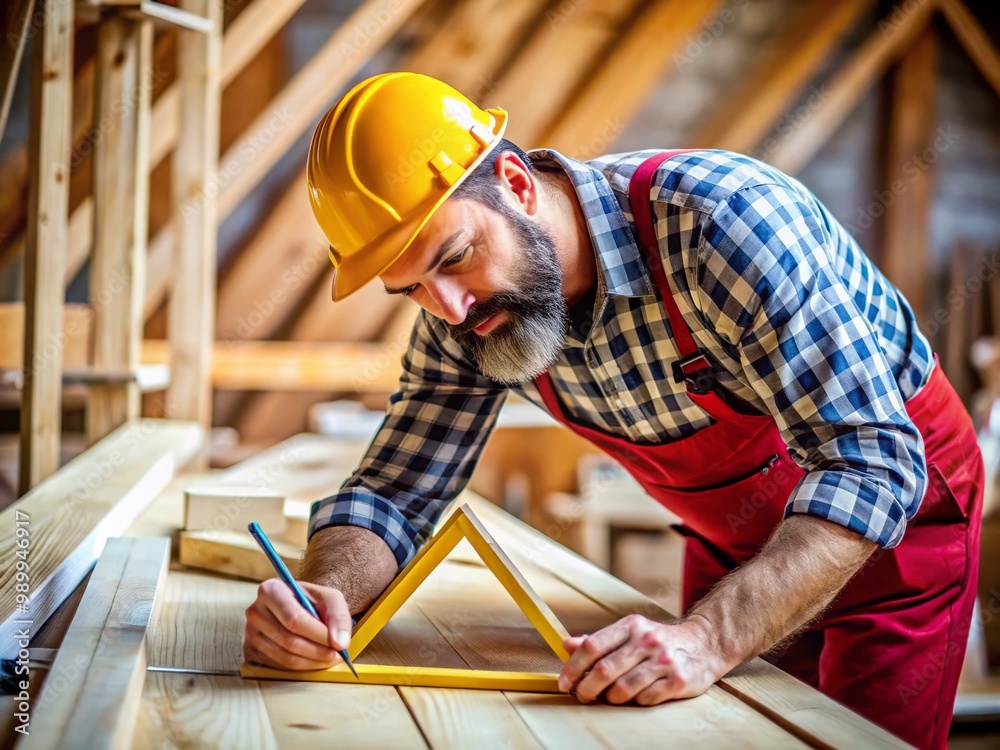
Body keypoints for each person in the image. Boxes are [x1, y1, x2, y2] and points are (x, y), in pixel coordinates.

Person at [243, 72, 982, 749]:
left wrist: (709, 640)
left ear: (514, 183)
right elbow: (393, 493)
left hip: (899, 531)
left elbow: (871, 461)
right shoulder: (468, 316)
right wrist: (325, 596)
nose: (451, 310)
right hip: (743, 546)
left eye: (454, 257)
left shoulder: (723, 225)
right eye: (411, 290)